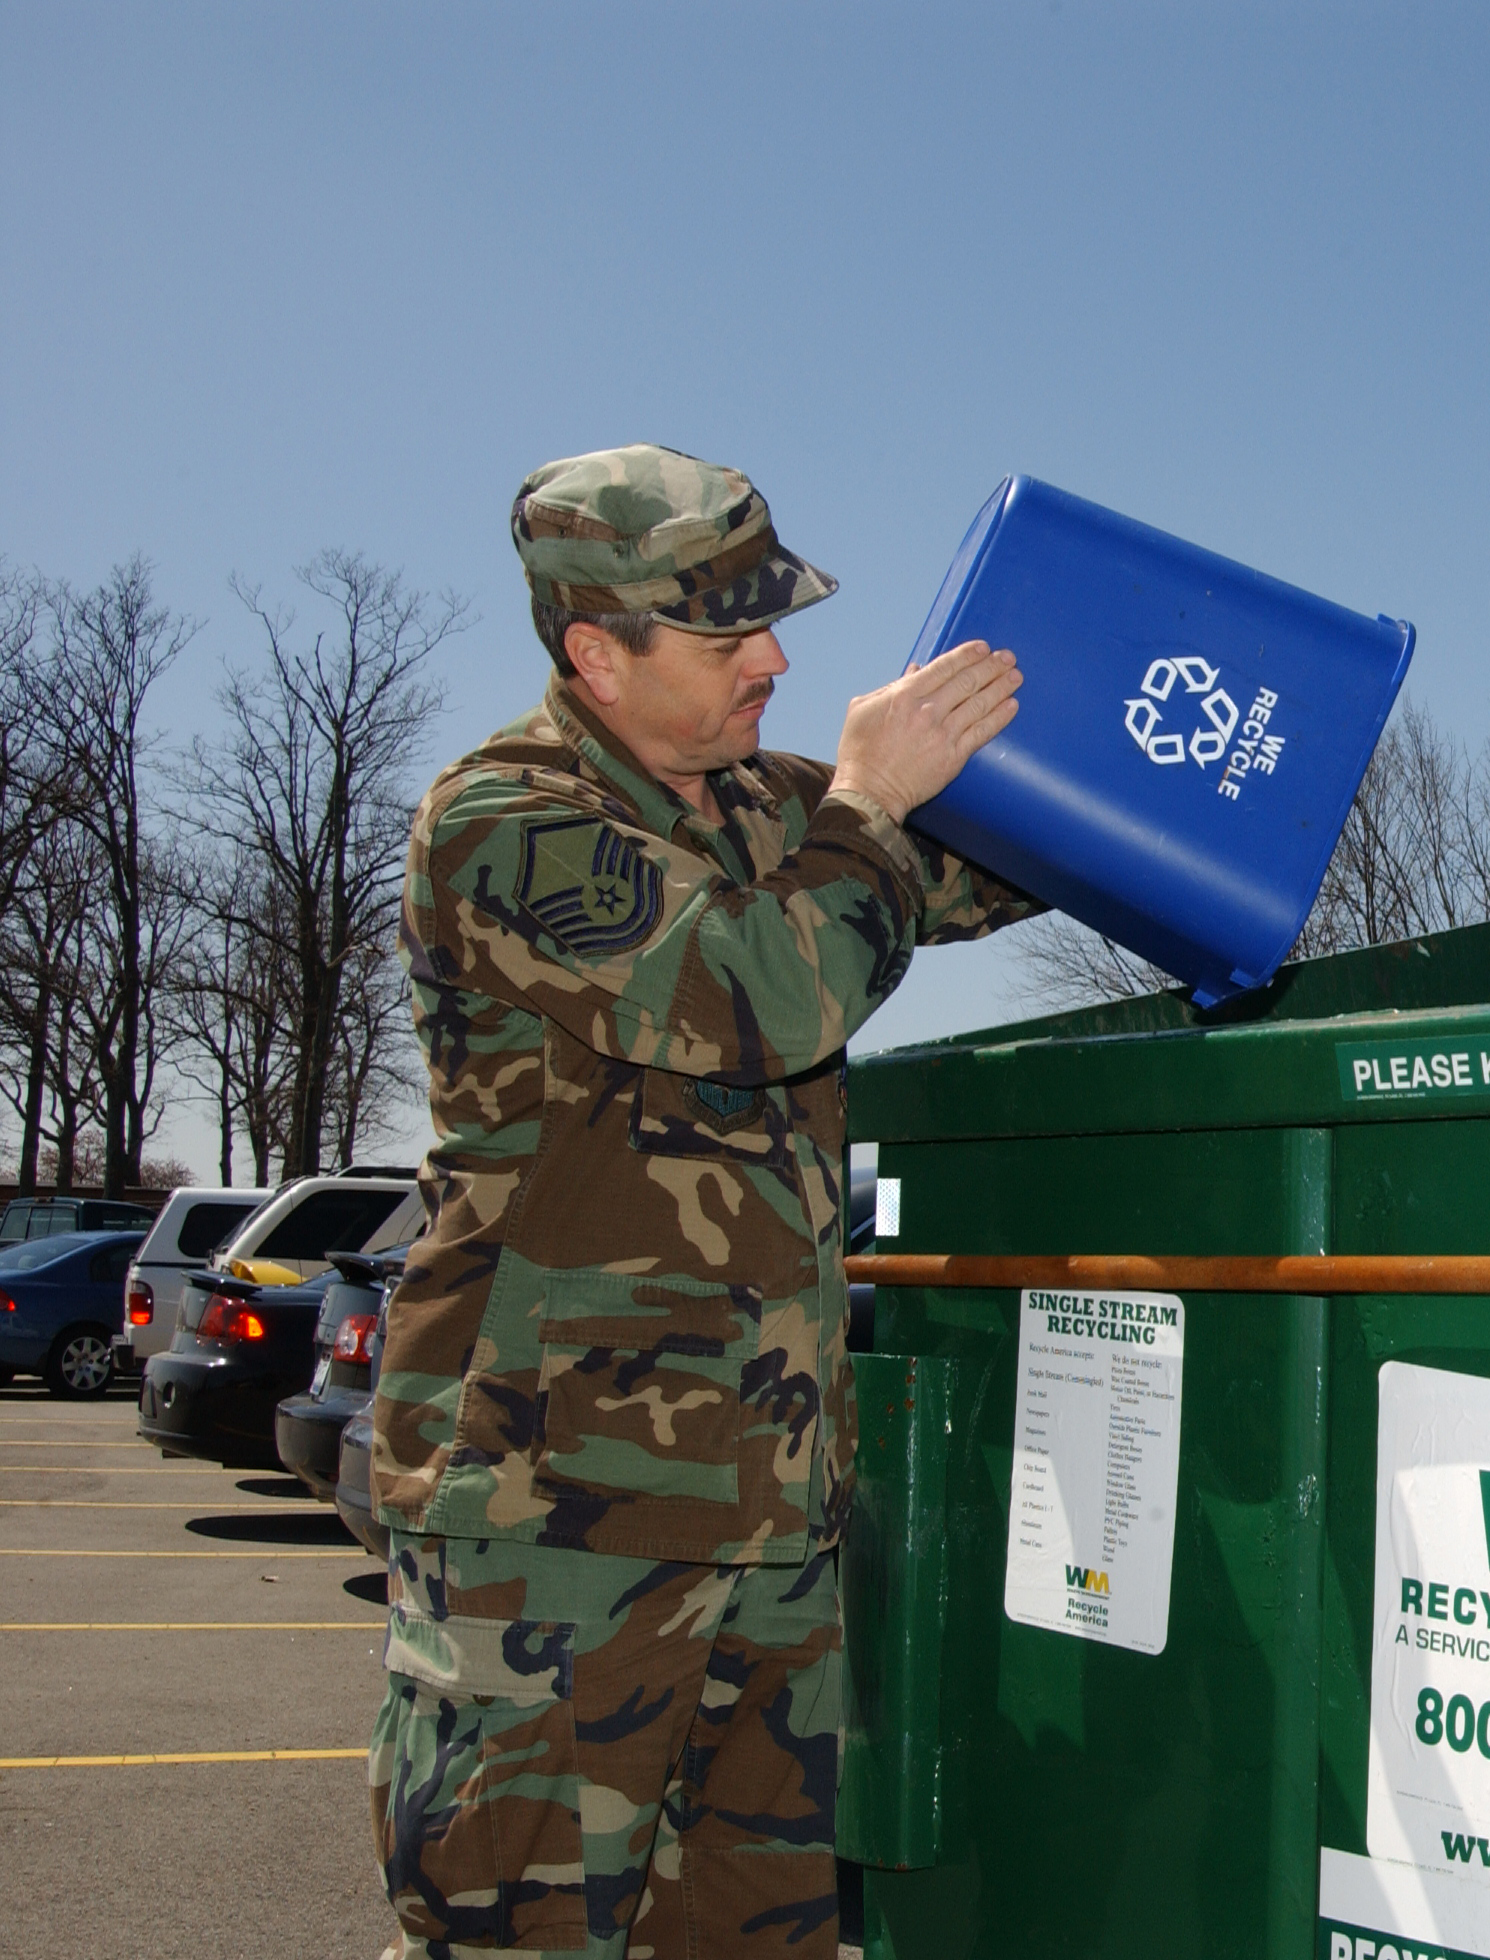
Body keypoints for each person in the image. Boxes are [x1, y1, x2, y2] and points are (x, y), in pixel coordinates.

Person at [367, 443, 1033, 1958]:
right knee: (518, 1930)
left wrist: (1185, 763)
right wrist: (868, 800)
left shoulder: (764, 810)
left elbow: (1003, 855)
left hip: (766, 1512)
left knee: (755, 1932)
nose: (779, 660)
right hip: (559, 1525)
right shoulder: (501, 822)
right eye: (731, 636)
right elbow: (764, 993)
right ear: (597, 652)